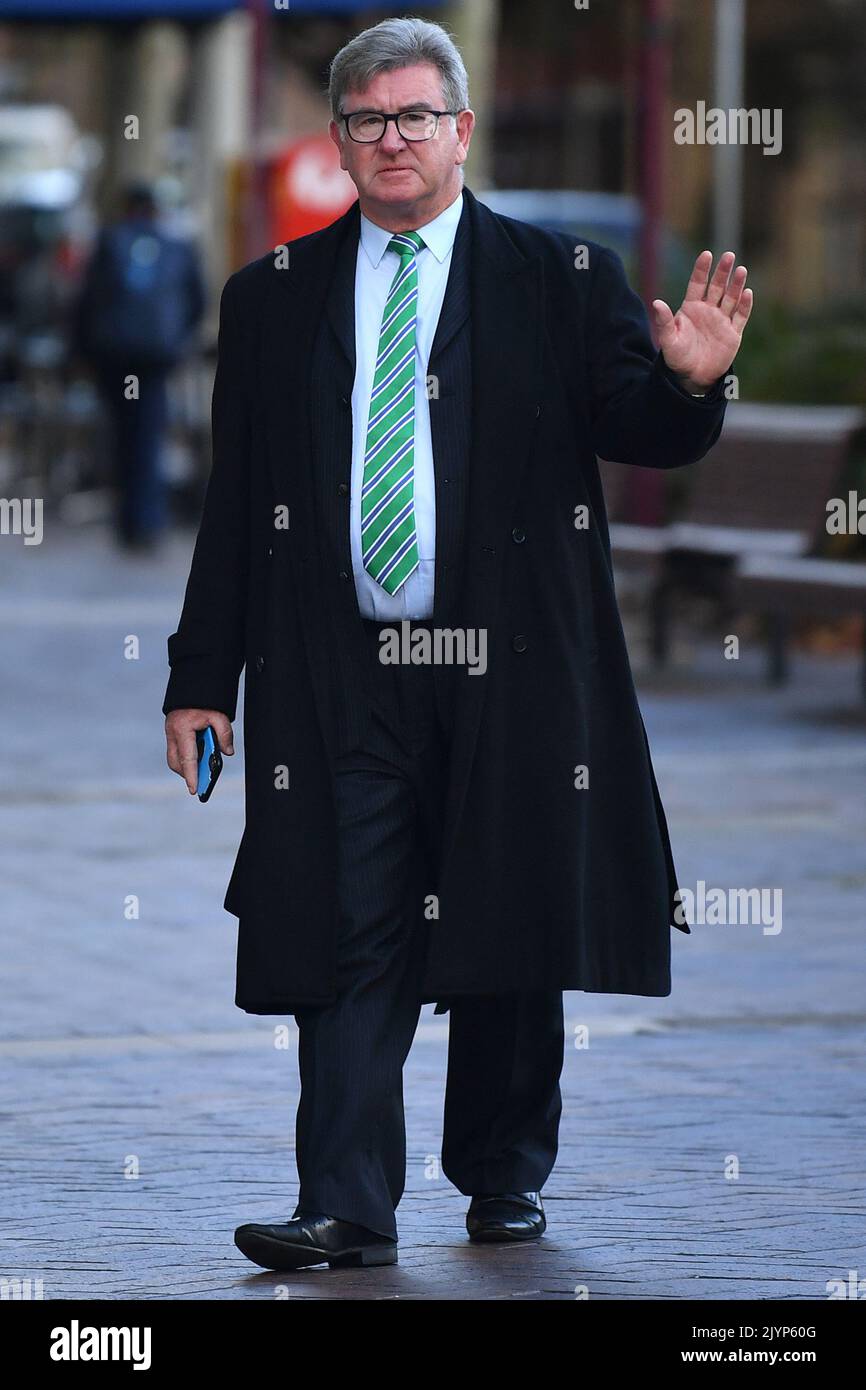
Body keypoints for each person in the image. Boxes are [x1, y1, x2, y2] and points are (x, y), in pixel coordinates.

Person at [162, 17, 753, 1271]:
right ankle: (345, 1207)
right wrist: (199, 679)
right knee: (344, 922)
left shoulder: (559, 277)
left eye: (416, 116)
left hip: (510, 664)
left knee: (505, 913)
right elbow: (233, 504)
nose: (393, 139)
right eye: (368, 119)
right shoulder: (269, 301)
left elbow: (640, 428)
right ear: (338, 139)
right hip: (340, 672)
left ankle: (500, 1176)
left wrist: (693, 384)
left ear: (460, 131)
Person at [73, 181, 206, 550]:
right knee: (150, 433)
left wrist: (83, 352)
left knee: (120, 433)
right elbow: (197, 299)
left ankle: (127, 519)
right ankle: (149, 519)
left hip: (115, 356)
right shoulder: (177, 246)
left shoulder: (109, 240)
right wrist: (178, 339)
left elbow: (88, 301)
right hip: (156, 357)